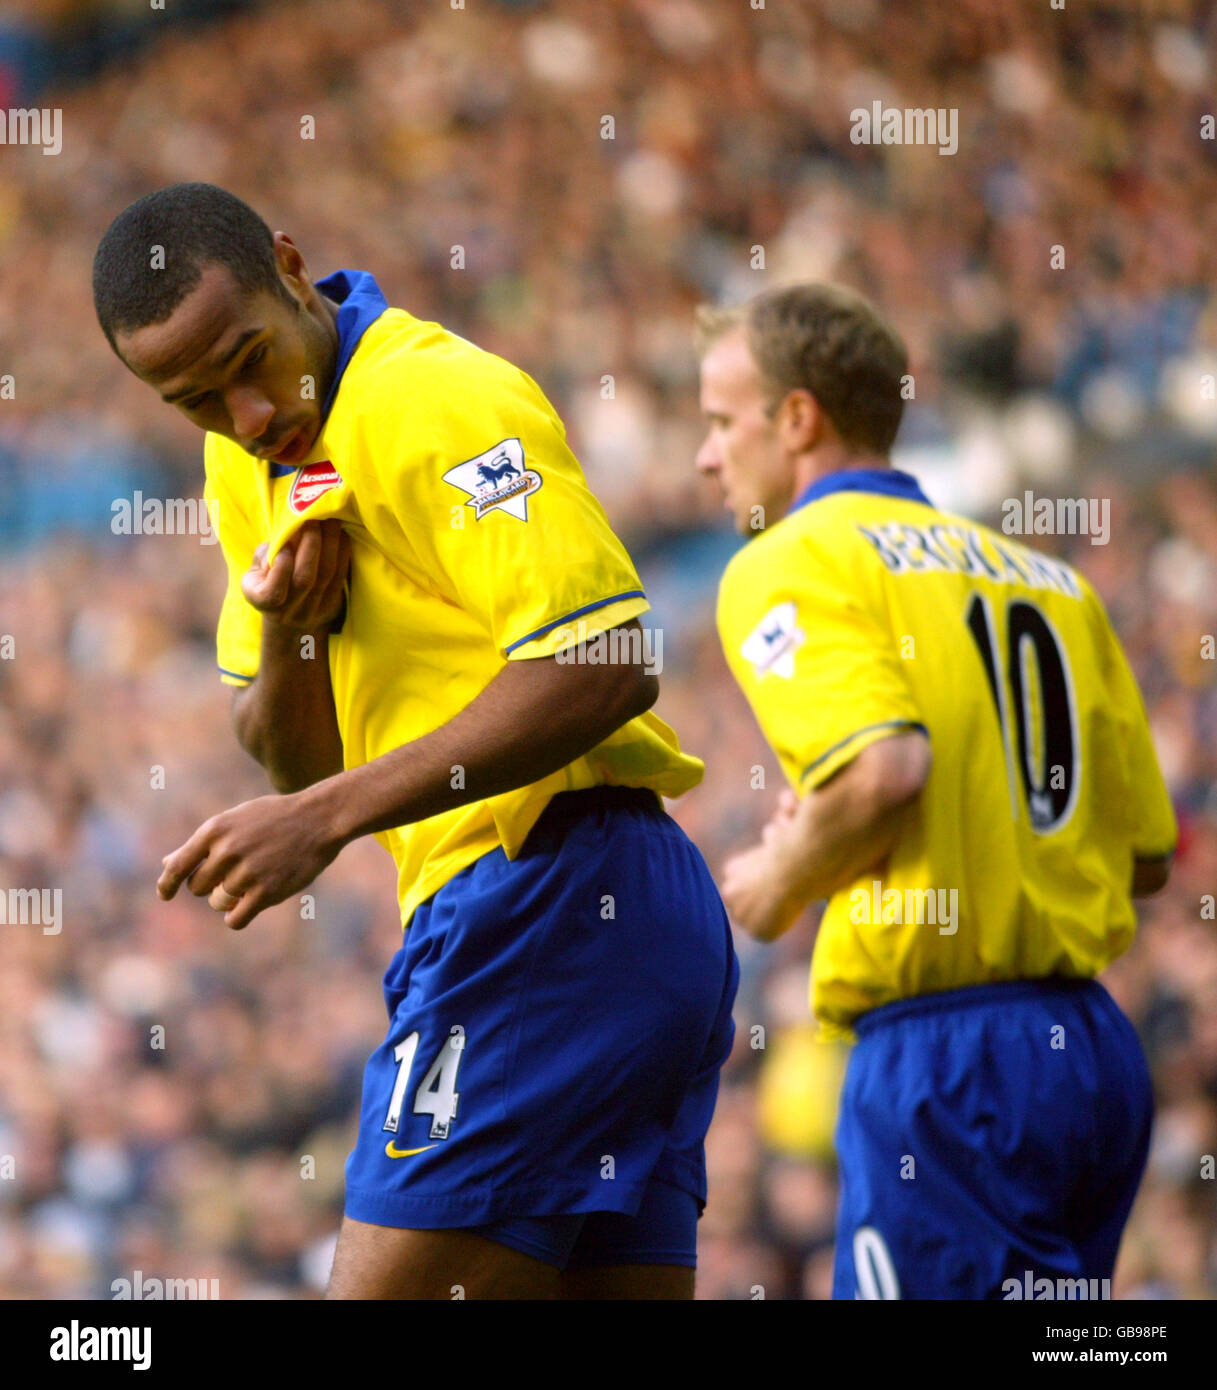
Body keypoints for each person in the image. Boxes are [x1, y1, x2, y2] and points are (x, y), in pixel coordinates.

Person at [92, 182, 738, 1300]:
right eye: (194, 401)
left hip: (554, 895)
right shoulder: (244, 466)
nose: (245, 415)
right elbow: (293, 756)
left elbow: (607, 659)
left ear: (291, 268)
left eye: (250, 361)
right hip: (554, 920)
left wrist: (328, 817)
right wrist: (297, 638)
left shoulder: (430, 397)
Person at [692, 282, 1176, 1300]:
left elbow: (884, 769)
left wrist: (779, 875)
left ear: (795, 418)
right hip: (1089, 1051)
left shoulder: (788, 559)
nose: (703, 455)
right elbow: (1142, 856)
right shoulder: (1047, 578)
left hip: (948, 1061)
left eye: (719, 421)